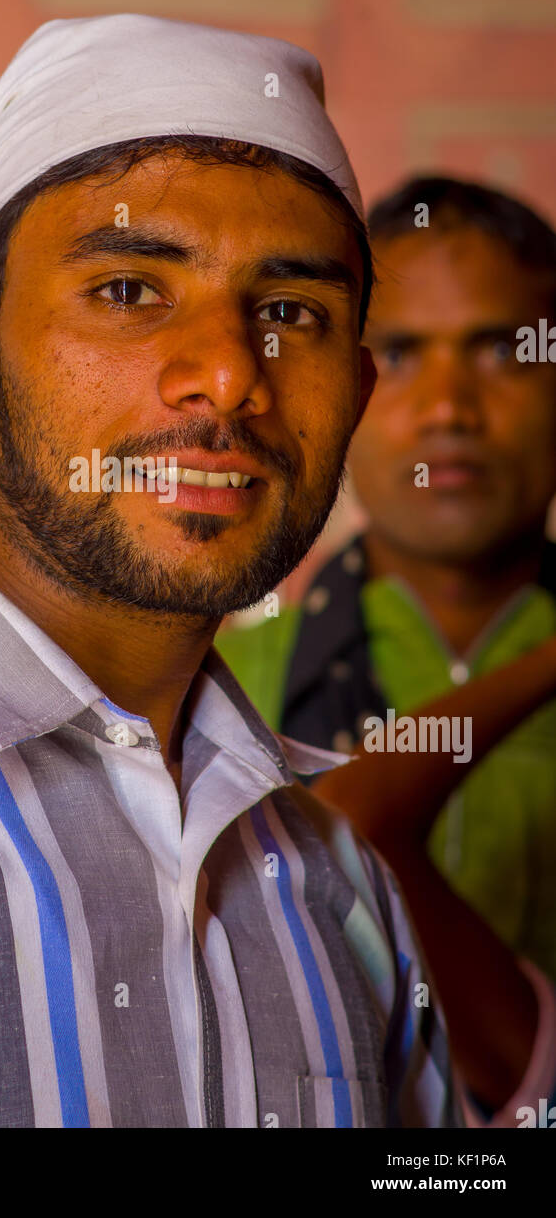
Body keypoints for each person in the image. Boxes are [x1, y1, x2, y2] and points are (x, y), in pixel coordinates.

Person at [0, 17, 517, 1129]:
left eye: (288, 314)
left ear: (353, 398)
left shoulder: (337, 879)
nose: (227, 373)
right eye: (129, 291)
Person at [218, 174, 556, 1122]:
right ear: (346, 385)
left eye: (502, 351)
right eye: (401, 354)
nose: (450, 408)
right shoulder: (221, 686)